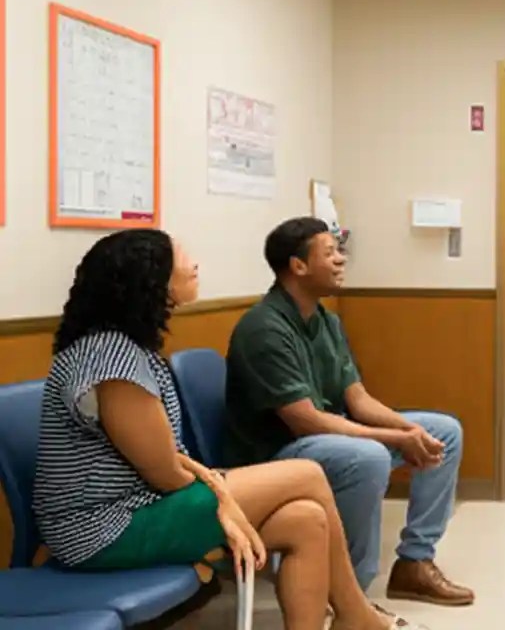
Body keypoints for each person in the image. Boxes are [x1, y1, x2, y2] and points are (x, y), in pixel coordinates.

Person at [31, 229, 421, 630]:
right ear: (148, 280)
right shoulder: (113, 363)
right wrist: (226, 505)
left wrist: (223, 498)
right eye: (180, 257)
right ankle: (357, 617)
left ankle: (348, 619)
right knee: (307, 474)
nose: (193, 263)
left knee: (306, 519)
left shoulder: (126, 348)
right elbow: (165, 474)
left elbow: (169, 458)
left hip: (141, 506)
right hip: (104, 529)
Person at [223, 217, 473, 605]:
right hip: (276, 455)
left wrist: (412, 432)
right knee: (368, 456)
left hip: (324, 439)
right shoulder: (264, 328)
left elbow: (358, 401)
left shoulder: (326, 321)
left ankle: (414, 563)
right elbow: (305, 421)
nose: (341, 260)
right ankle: (348, 595)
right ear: (298, 266)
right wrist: (396, 439)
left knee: (444, 431)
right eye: (331, 253)